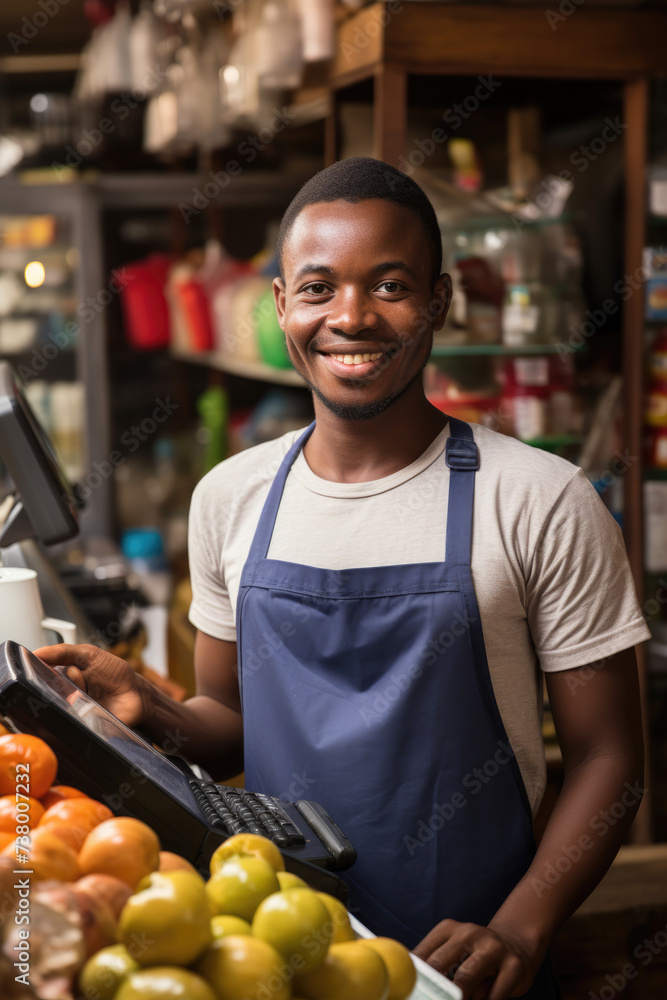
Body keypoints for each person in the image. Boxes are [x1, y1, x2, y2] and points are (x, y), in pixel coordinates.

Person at [37, 157, 649, 1000]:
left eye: (390, 285)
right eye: (319, 288)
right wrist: (149, 708)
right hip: (274, 948)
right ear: (283, 304)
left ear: (438, 301)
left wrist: (521, 925)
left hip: (463, 961)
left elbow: (608, 757)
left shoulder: (538, 498)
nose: (351, 318)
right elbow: (234, 725)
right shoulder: (232, 496)